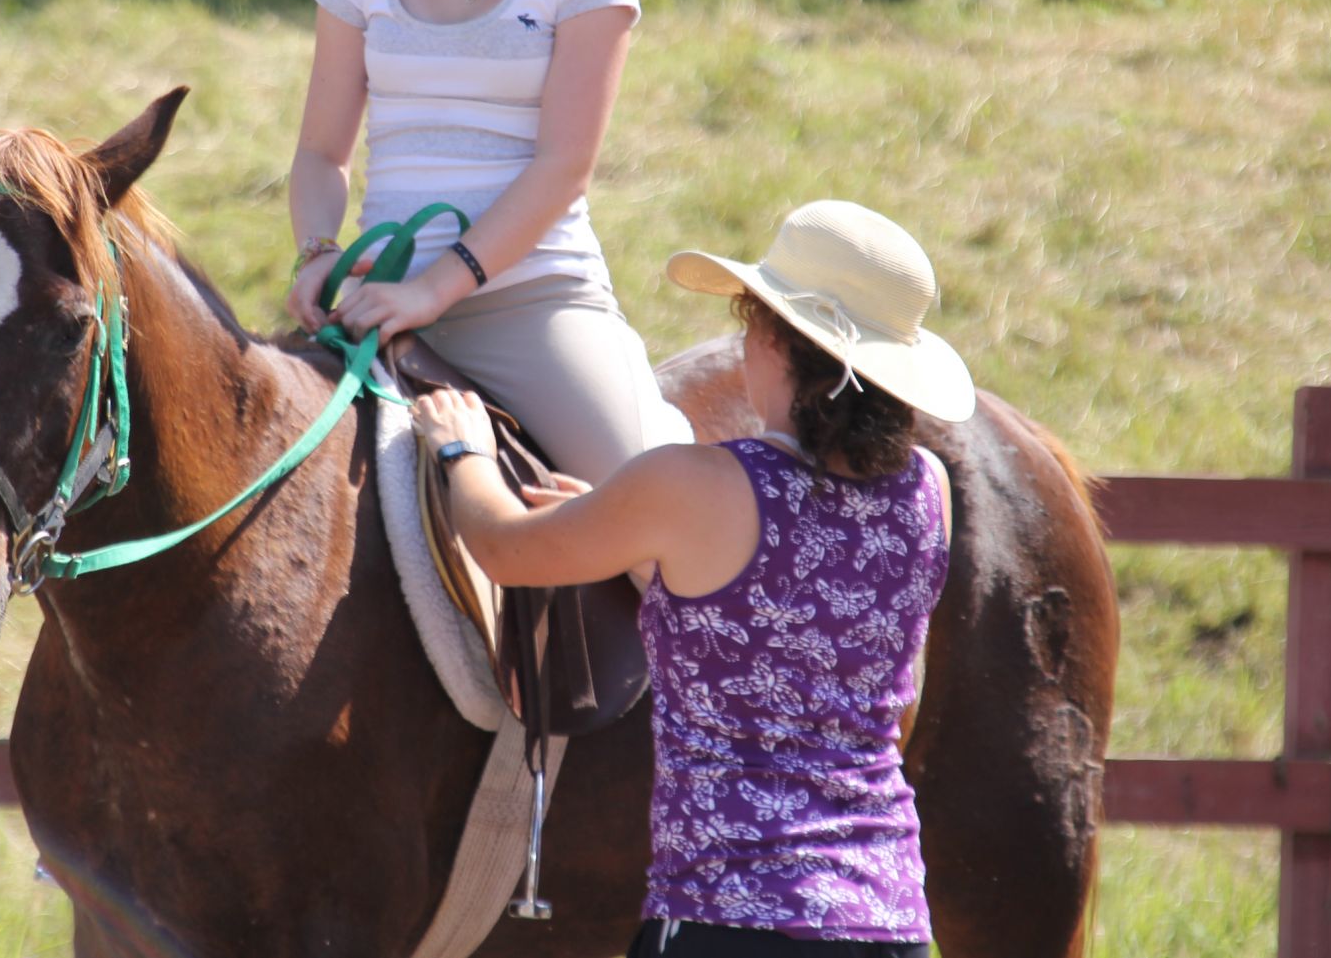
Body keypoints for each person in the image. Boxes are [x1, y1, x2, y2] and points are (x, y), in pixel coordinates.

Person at [412, 200, 975, 958]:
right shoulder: (928, 491)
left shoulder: (693, 487)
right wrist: (625, 523)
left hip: (727, 917)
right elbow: (797, 615)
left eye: (750, 325)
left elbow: (506, 548)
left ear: (778, 343)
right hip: (889, 917)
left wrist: (462, 452)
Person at [285, 0, 689, 483]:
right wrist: (316, 254)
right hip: (379, 298)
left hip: (536, 303)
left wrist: (438, 288)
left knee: (652, 506)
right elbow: (323, 153)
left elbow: (562, 166)